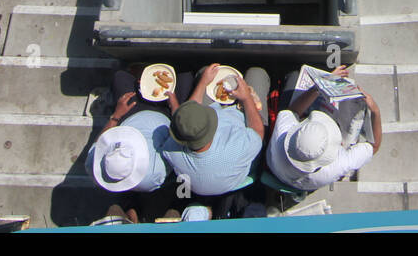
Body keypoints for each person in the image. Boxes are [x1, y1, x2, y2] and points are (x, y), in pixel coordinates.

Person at [157, 65, 266, 197]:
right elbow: (258, 132)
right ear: (213, 127)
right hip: (246, 121)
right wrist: (247, 98)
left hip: (211, 183)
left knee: (204, 72)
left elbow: (186, 119)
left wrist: (203, 82)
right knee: (257, 73)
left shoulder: (172, 151)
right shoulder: (236, 149)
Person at [266, 68, 382, 191]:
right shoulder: (338, 165)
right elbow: (374, 146)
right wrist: (375, 110)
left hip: (277, 174)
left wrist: (319, 86)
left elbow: (293, 111)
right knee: (294, 75)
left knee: (293, 75)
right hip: (303, 184)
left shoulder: (281, 134)